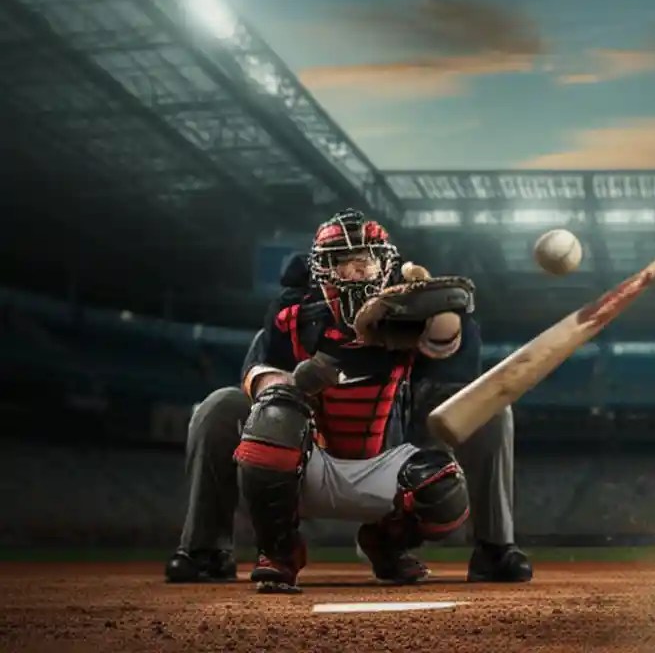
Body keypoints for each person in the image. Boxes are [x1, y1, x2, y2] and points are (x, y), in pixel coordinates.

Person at [164, 208, 531, 592]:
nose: (355, 273)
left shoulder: (412, 317)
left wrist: (438, 314)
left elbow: (453, 362)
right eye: (342, 264)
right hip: (305, 465)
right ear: (322, 272)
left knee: (482, 428)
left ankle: (413, 544)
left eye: (365, 263)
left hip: (393, 468)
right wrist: (294, 384)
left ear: (385, 267)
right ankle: (244, 550)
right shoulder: (292, 315)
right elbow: (258, 375)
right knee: (226, 408)